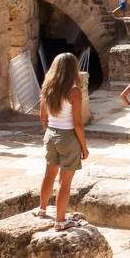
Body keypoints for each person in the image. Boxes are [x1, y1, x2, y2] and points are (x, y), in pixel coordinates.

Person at [32, 52, 89, 230]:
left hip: (51, 134)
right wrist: (84, 147)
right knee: (65, 181)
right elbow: (77, 123)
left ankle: (41, 209)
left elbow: (43, 115)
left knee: (49, 174)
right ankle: (60, 220)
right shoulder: (74, 91)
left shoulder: (47, 86)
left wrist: (48, 133)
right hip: (68, 136)